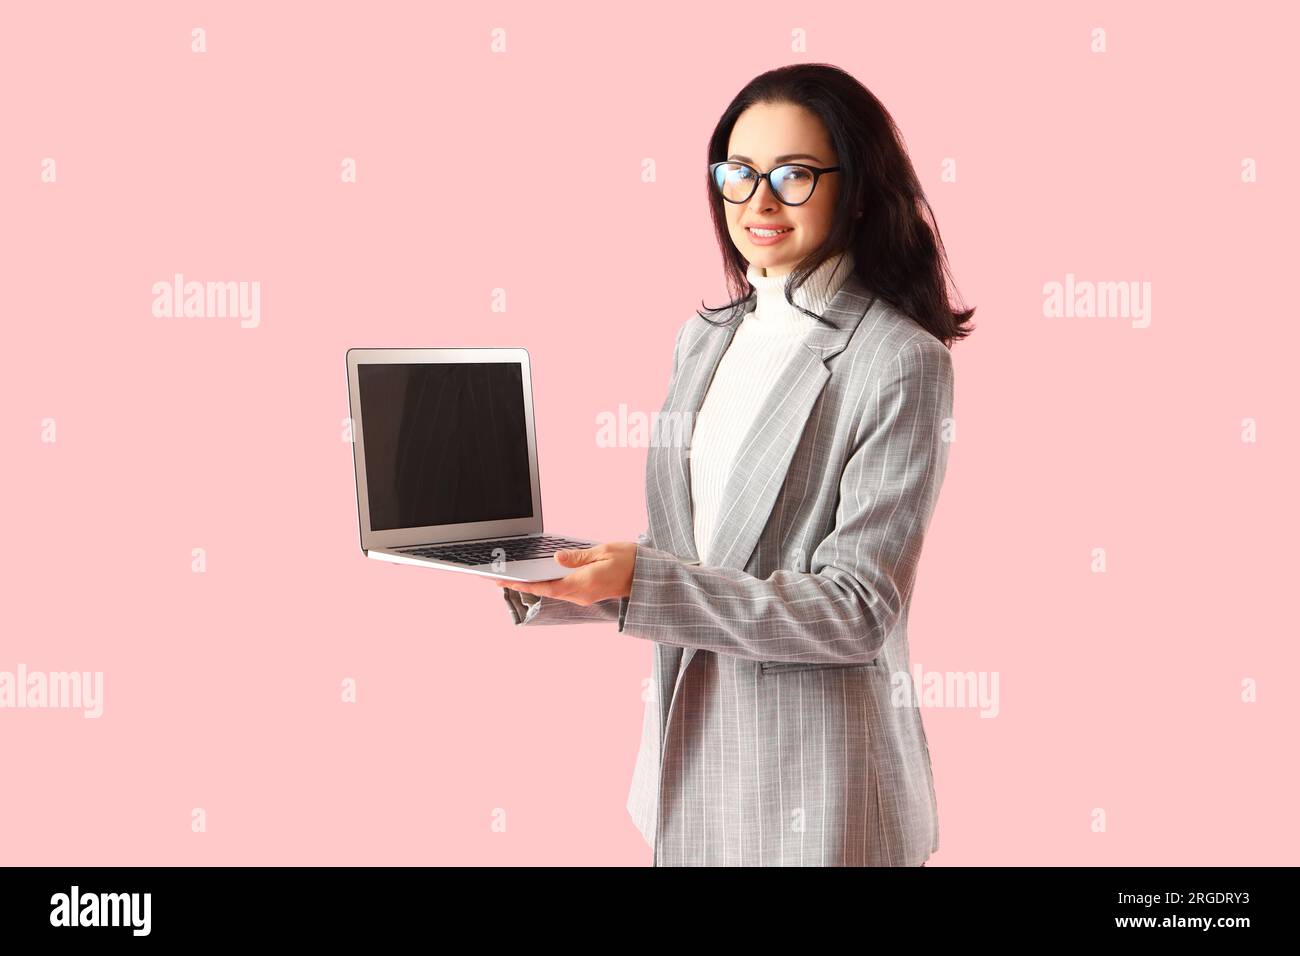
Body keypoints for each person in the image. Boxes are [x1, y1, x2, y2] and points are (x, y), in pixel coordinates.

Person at [490, 63, 974, 866]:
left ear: (856, 189)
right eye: (738, 174)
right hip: (692, 771)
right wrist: (557, 577)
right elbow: (698, 556)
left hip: (820, 794)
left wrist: (638, 580)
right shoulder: (706, 338)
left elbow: (856, 611)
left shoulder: (898, 361)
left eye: (793, 175)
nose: (759, 201)